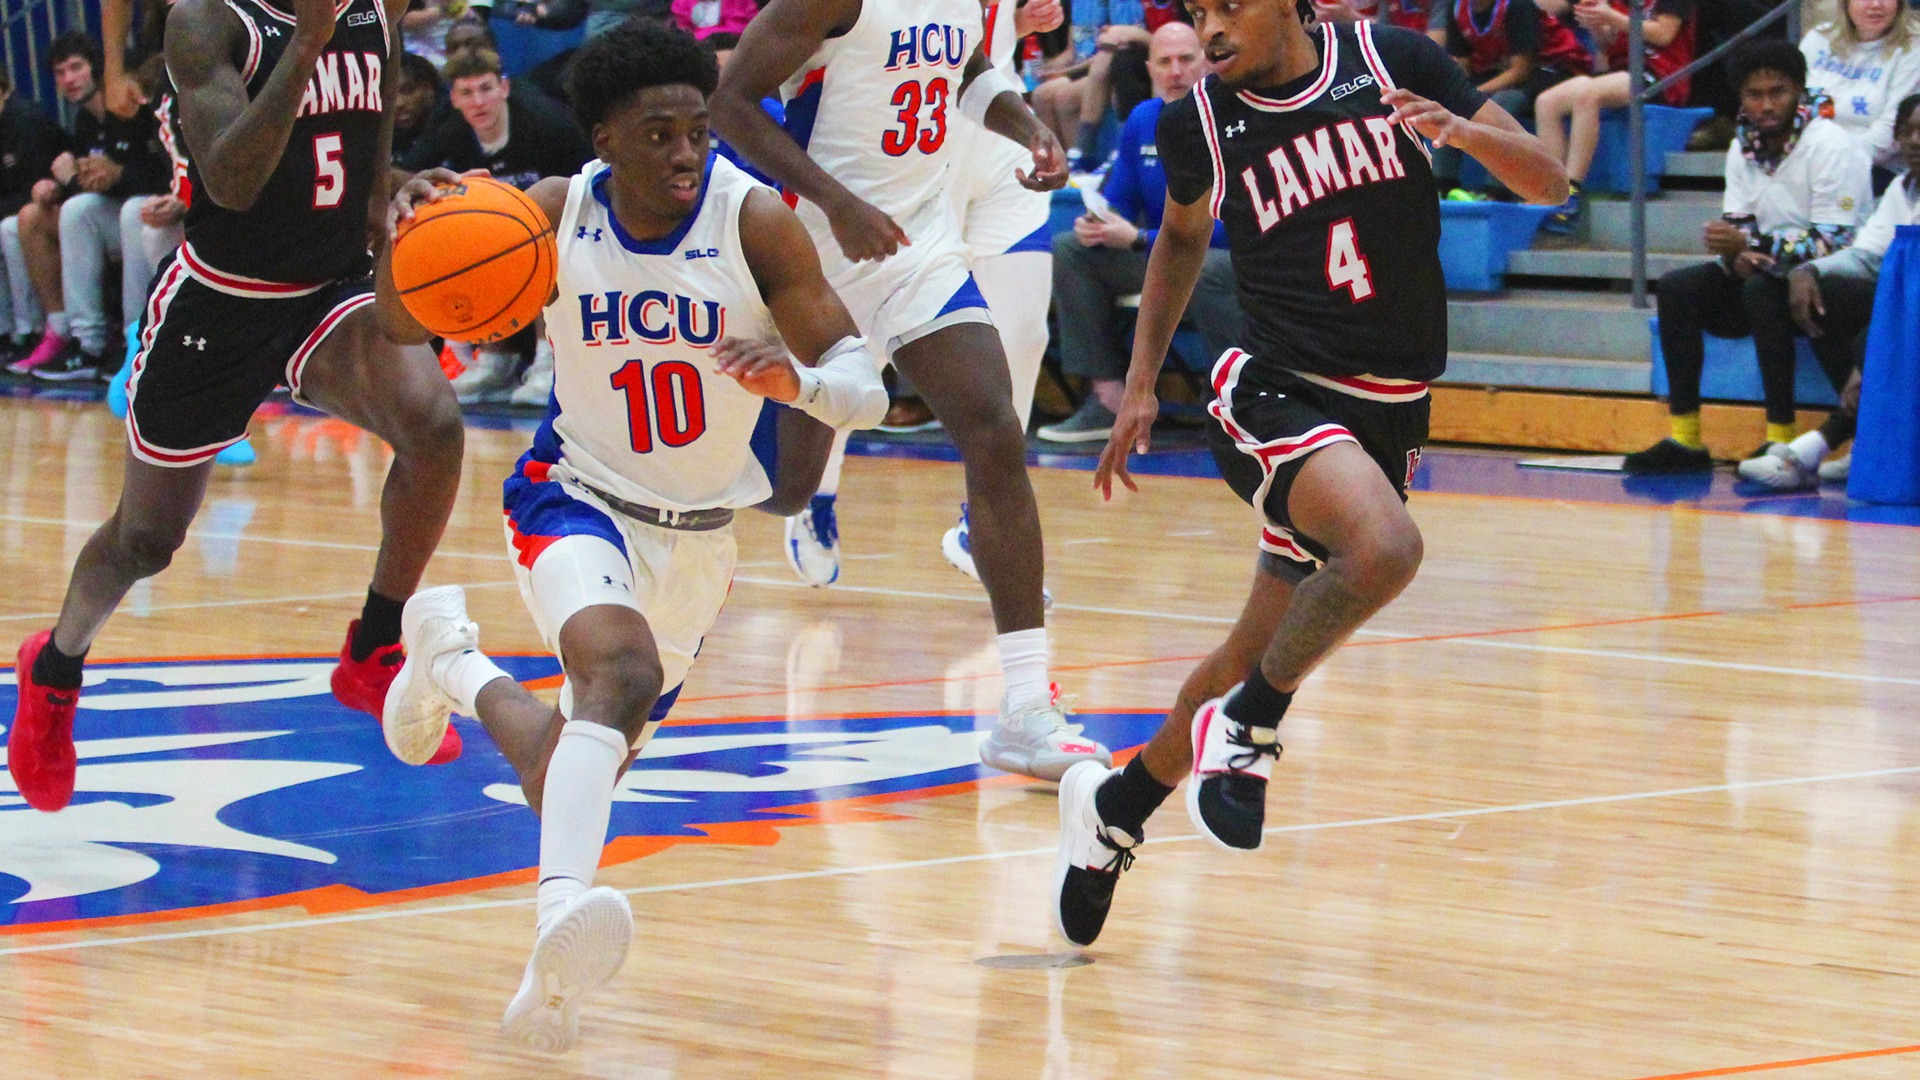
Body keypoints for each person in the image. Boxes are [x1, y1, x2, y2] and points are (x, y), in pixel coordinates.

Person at [380, 20, 886, 1050]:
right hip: (572, 497)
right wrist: (412, 232)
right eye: (656, 134)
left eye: (697, 130)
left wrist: (802, 383)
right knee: (618, 672)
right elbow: (403, 320)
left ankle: (454, 664)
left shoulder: (757, 224)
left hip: (698, 541)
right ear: (601, 136)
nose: (685, 153)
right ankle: (557, 921)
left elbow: (869, 388)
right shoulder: (551, 217)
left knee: (566, 766)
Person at [1052, 0, 1566, 947]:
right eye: (1194, 13)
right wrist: (1135, 385)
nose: (1208, 31)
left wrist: (1461, 134)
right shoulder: (1198, 116)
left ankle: (1118, 807)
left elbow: (1550, 181)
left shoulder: (1392, 59)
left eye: (1225, 8)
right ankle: (1249, 733)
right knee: (1387, 547)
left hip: (1392, 403)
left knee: (1251, 649)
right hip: (1274, 389)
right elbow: (1178, 238)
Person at [6, 0, 469, 814]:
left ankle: (373, 646)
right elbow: (234, 179)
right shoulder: (207, 21)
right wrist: (312, 39)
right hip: (222, 301)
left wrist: (392, 190)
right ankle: (55, 669)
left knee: (434, 426)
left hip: (328, 288)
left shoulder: (374, 8)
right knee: (145, 540)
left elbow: (370, 131)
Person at [711, 0, 1115, 781]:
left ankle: (1026, 709)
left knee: (993, 429)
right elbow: (729, 104)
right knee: (786, 487)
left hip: (914, 247)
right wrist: (837, 202)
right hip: (814, 251)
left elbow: (962, 66)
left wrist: (1023, 123)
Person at [1625, 40, 1873, 474]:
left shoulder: (1832, 143)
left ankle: (1780, 436)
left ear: (1799, 89)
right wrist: (1732, 255)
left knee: (1763, 287)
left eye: (1777, 92)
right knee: (1679, 287)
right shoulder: (1743, 146)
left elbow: (1838, 240)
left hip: (1835, 282)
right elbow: (1741, 223)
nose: (1765, 105)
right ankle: (1685, 439)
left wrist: (1755, 253)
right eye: (1753, 95)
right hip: (1768, 272)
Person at [1039, 20, 1244, 444]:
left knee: (1205, 269)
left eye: (1186, 60)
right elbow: (1119, 201)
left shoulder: (1235, 119)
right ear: (1149, 69)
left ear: (1206, 65)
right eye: (1164, 61)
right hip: (1163, 258)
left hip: (1230, 261)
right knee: (1072, 249)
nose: (1175, 71)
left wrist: (1137, 239)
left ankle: (1234, 400)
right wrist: (1098, 222)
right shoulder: (1143, 119)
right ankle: (1108, 398)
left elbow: (1244, 228)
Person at [1741, 92, 1920, 489]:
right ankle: (1858, 440)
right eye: (1907, 131)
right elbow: (1868, 255)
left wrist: (1871, 351)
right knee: (1820, 296)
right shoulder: (1901, 189)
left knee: (1875, 340)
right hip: (1905, 304)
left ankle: (1814, 449)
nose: (1915, 140)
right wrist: (1807, 269)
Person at [405, 47, 592, 404]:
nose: (478, 101)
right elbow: (407, 173)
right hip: (508, 236)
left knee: (533, 242)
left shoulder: (547, 124)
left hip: (573, 229)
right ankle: (494, 358)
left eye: (486, 89)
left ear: (504, 88)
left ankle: (549, 359)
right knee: (468, 241)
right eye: (467, 92)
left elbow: (592, 178)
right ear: (454, 99)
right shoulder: (452, 133)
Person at [1534, 0, 1697, 232]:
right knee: (1547, 102)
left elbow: (1663, 35)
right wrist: (1595, 24)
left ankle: (1571, 193)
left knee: (1587, 94)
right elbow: (1605, 46)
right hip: (1621, 72)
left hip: (1661, 75)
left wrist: (1612, 17)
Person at [1433, 0, 1592, 194]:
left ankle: (1497, 192)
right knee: (1448, 102)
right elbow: (1462, 66)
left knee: (1503, 102)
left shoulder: (1517, 5)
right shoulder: (1457, 7)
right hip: (1502, 72)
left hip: (1554, 67)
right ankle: (1443, 186)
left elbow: (1521, 71)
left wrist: (1476, 94)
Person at [1800, 0, 1920, 186]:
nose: (1876, 4)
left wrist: (1832, 160)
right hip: (1808, 159)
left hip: (1874, 169)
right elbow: (1795, 105)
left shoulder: (1912, 49)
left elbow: (1890, 133)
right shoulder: (1819, 38)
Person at [0, 69, 69, 367]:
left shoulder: (26, 119)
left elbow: (36, 188)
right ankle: (9, 331)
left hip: (55, 208)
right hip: (27, 208)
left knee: (11, 227)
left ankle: (32, 330)